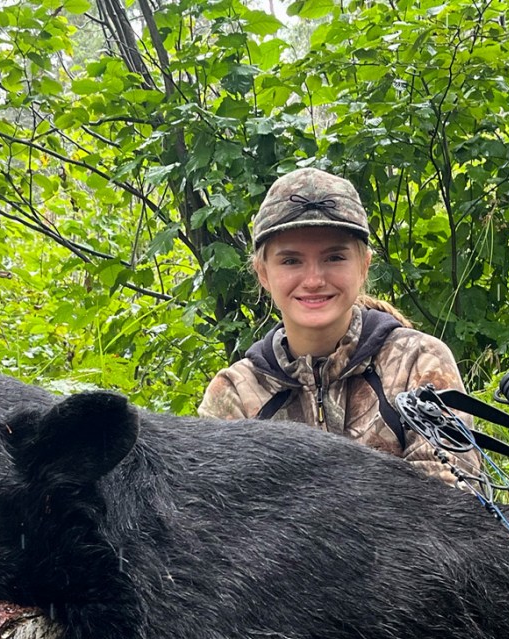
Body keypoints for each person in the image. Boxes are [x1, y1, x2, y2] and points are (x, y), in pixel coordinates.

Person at [199, 167, 481, 484]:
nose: (315, 280)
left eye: (334, 258)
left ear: (363, 266)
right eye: (291, 260)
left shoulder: (416, 362)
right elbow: (216, 519)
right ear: (263, 274)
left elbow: (453, 503)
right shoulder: (235, 392)